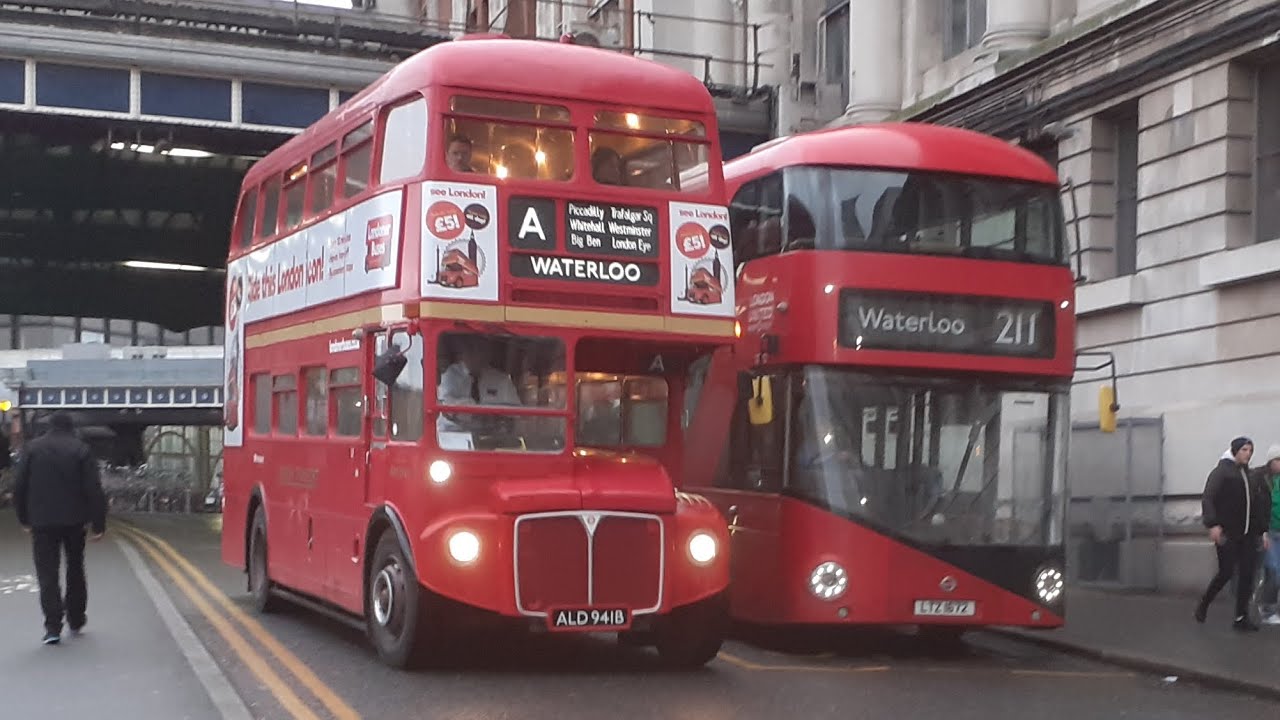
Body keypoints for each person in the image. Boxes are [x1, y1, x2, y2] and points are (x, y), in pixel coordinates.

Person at [13, 411, 106, 645]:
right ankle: (76, 618)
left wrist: (23, 518)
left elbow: (20, 486)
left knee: (47, 573)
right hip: (75, 521)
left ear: (49, 426)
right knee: (75, 568)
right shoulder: (81, 450)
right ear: (71, 427)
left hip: (42, 521)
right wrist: (98, 524)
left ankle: (52, 626)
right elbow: (93, 489)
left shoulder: (32, 449)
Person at [1196, 436, 1272, 631]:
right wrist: (1212, 524)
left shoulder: (1249, 474)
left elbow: (1256, 506)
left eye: (1250, 451)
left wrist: (1262, 531)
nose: (1248, 454)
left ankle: (1241, 617)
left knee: (1247, 575)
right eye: (1244, 450)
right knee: (1226, 572)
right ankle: (1204, 604)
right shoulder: (1222, 472)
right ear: (1235, 450)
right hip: (1228, 534)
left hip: (1248, 535)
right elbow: (1208, 498)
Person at [1257, 444, 1280, 624]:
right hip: (1269, 532)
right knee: (1273, 570)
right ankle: (1267, 609)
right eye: (1278, 460)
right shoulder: (1262, 478)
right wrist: (1261, 531)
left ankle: (1263, 596)